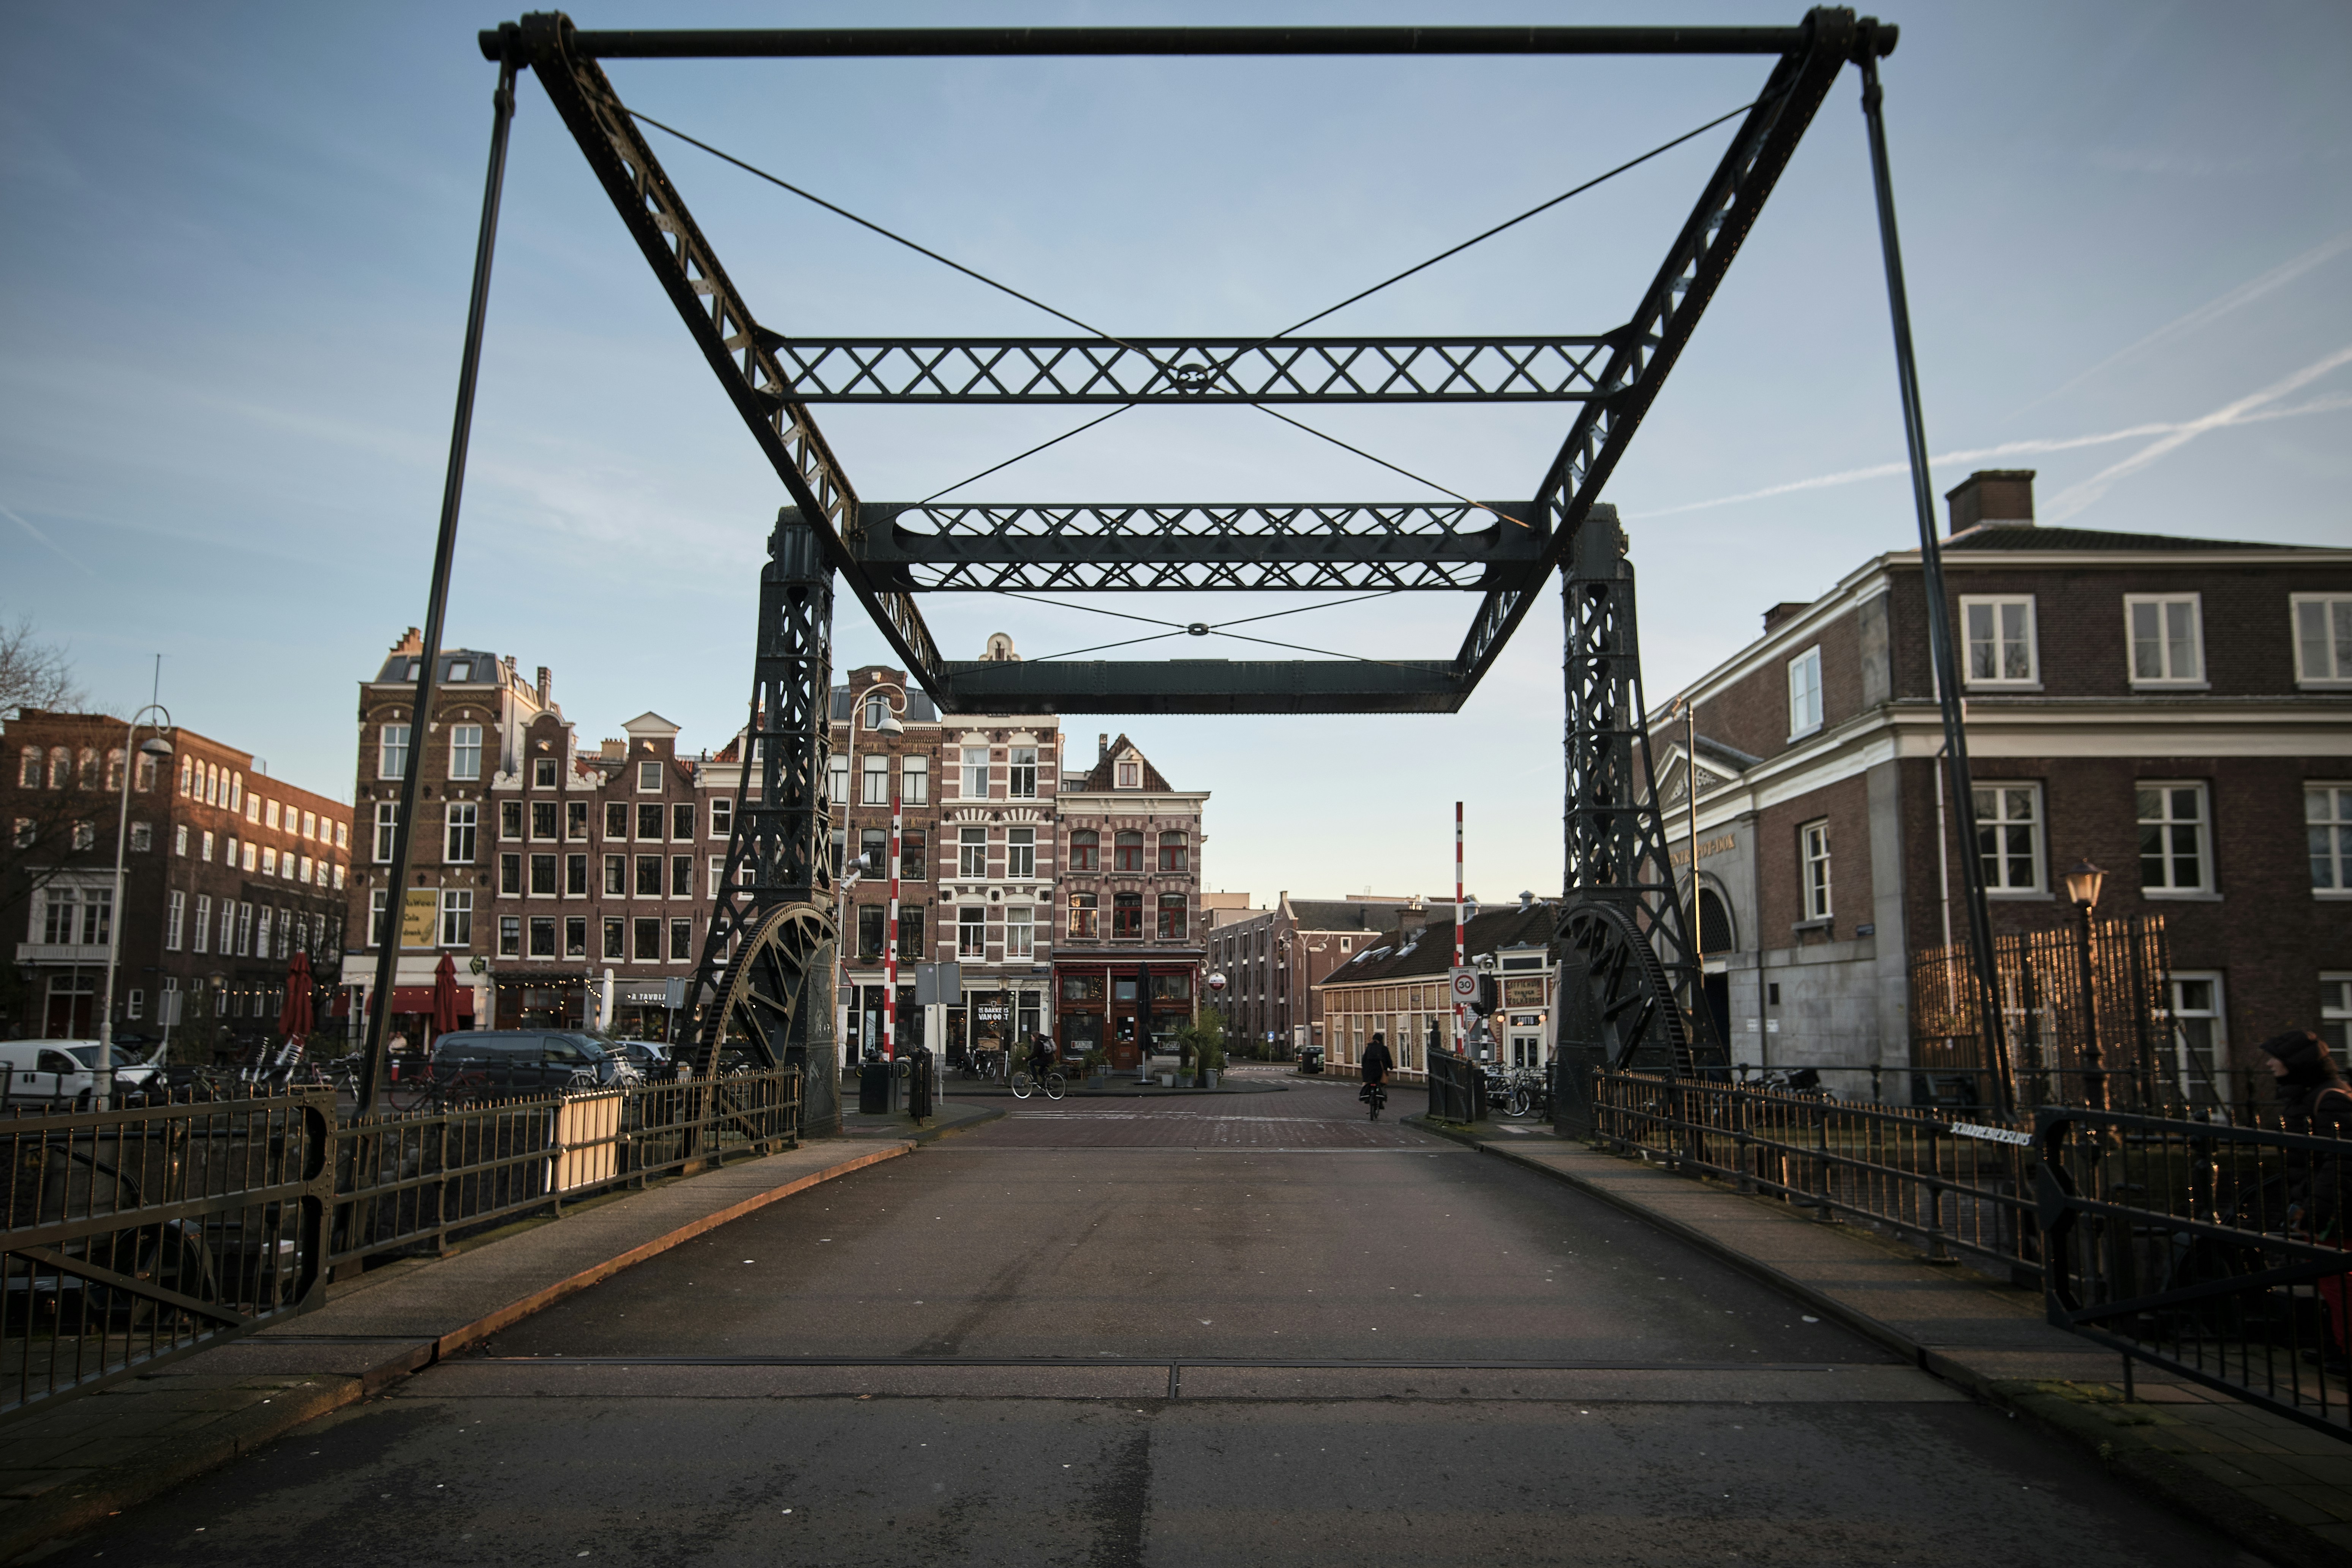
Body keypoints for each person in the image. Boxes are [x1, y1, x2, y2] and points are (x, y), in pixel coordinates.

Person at [2263, 1030, 2352, 1366]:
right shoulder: (2315, 1095)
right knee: (2332, 1281)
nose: (2270, 1064)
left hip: (2338, 1211)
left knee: (2339, 1282)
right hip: (2327, 1204)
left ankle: (2347, 1350)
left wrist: (2316, 1210)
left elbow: (2340, 1163)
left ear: (2295, 1063)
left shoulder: (2330, 1099)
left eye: (2276, 1058)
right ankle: (2338, 1344)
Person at [1359, 1030, 1393, 1121]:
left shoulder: (1369, 1048)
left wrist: (1364, 1068)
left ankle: (1368, 1097)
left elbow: (1363, 1060)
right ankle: (1381, 1102)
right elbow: (1389, 1060)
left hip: (1368, 1072)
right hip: (1379, 1072)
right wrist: (1391, 1067)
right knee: (1381, 1085)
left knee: (1368, 1083)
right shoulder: (1384, 1049)